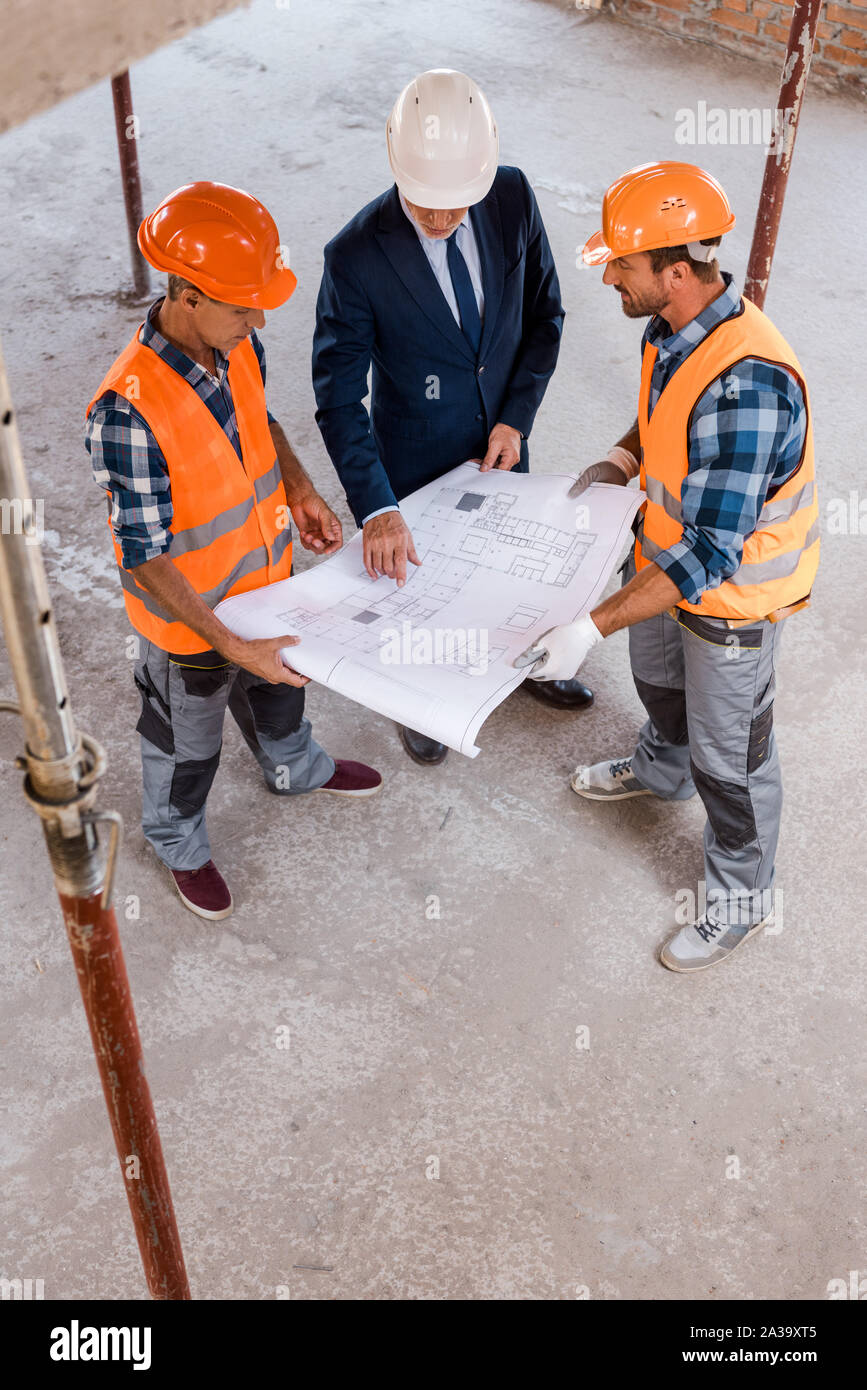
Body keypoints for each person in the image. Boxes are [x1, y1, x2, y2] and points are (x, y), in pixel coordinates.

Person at [518, 162, 819, 973]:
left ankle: (740, 899)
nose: (609, 273)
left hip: (729, 600)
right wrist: (623, 455)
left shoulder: (748, 383)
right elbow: (666, 407)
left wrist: (586, 624)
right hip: (662, 562)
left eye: (620, 262)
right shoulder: (672, 325)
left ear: (674, 271)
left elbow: (712, 550)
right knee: (657, 684)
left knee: (732, 760)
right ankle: (659, 768)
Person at [86, 182, 381, 922]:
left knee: (283, 695)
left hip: (268, 588)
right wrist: (225, 643)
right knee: (188, 749)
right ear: (186, 295)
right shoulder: (127, 410)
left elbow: (259, 418)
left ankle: (294, 768)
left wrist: (303, 485)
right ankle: (177, 840)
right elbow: (144, 557)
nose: (259, 320)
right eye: (243, 306)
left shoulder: (234, 340)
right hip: (192, 629)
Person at [313, 68, 593, 767]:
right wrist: (375, 506)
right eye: (426, 206)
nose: (442, 220)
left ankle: (527, 664)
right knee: (423, 589)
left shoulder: (510, 197)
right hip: (411, 454)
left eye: (456, 206)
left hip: (501, 436)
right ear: (393, 161)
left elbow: (545, 316)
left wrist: (514, 417)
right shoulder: (353, 258)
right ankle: (422, 696)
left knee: (509, 570)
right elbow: (338, 398)